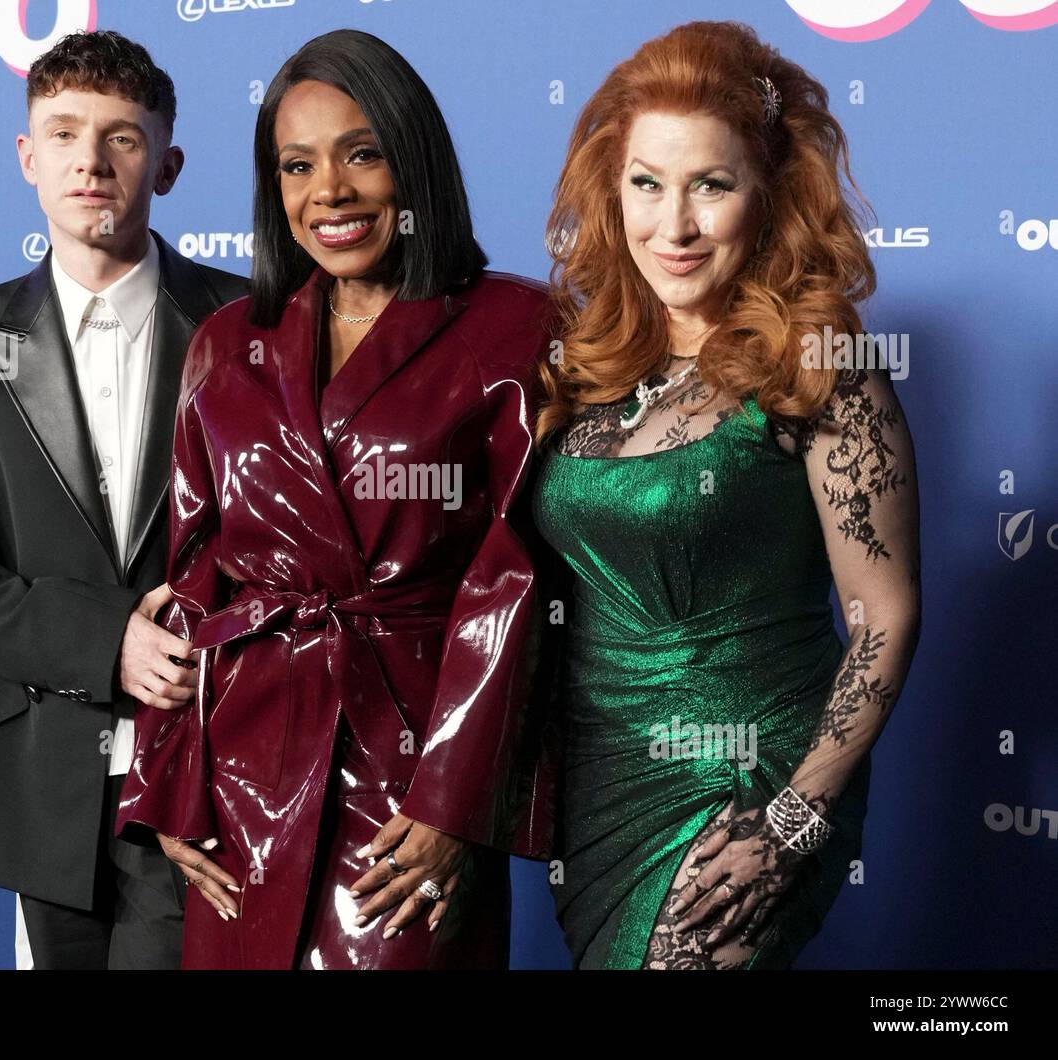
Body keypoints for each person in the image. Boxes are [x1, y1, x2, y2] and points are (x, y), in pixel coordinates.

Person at [115, 28, 558, 969]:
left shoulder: (516, 328)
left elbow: (515, 585)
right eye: (297, 165)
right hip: (242, 773)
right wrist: (170, 782)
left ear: (415, 160)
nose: (330, 192)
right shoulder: (230, 339)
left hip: (408, 779)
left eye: (363, 153)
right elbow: (194, 581)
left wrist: (454, 807)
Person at [532, 20, 921, 969]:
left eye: (711, 184)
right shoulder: (584, 365)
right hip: (597, 788)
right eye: (647, 184)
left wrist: (793, 820)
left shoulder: (819, 361)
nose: (675, 225)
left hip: (747, 779)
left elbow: (885, 615)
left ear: (769, 192)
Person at [0, 30, 248, 969]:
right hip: (36, 769)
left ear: (167, 163)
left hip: (209, 771)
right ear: (26, 156)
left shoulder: (251, 329)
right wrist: (103, 639)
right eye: (65, 132)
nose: (90, 160)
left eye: (121, 137)